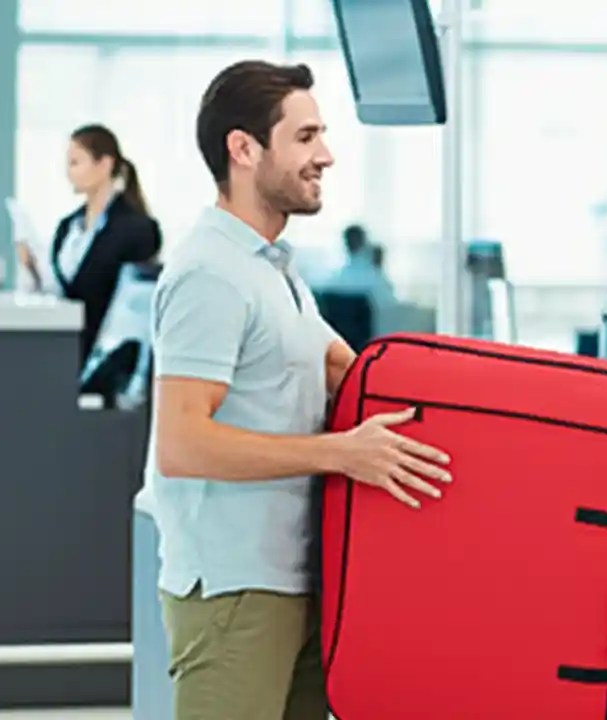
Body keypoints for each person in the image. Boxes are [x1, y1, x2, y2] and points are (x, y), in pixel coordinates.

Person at [148, 60, 452, 720]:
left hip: (295, 574)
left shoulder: (276, 270)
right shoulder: (211, 274)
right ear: (244, 149)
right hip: (234, 589)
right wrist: (340, 453)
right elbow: (182, 442)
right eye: (307, 137)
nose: (327, 156)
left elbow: (356, 372)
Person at [17, 124, 163, 366]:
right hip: (62, 344)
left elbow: (129, 310)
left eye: (76, 162)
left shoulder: (137, 230)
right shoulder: (68, 226)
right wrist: (33, 269)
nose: (68, 172)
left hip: (102, 356)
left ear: (104, 164)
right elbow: (60, 291)